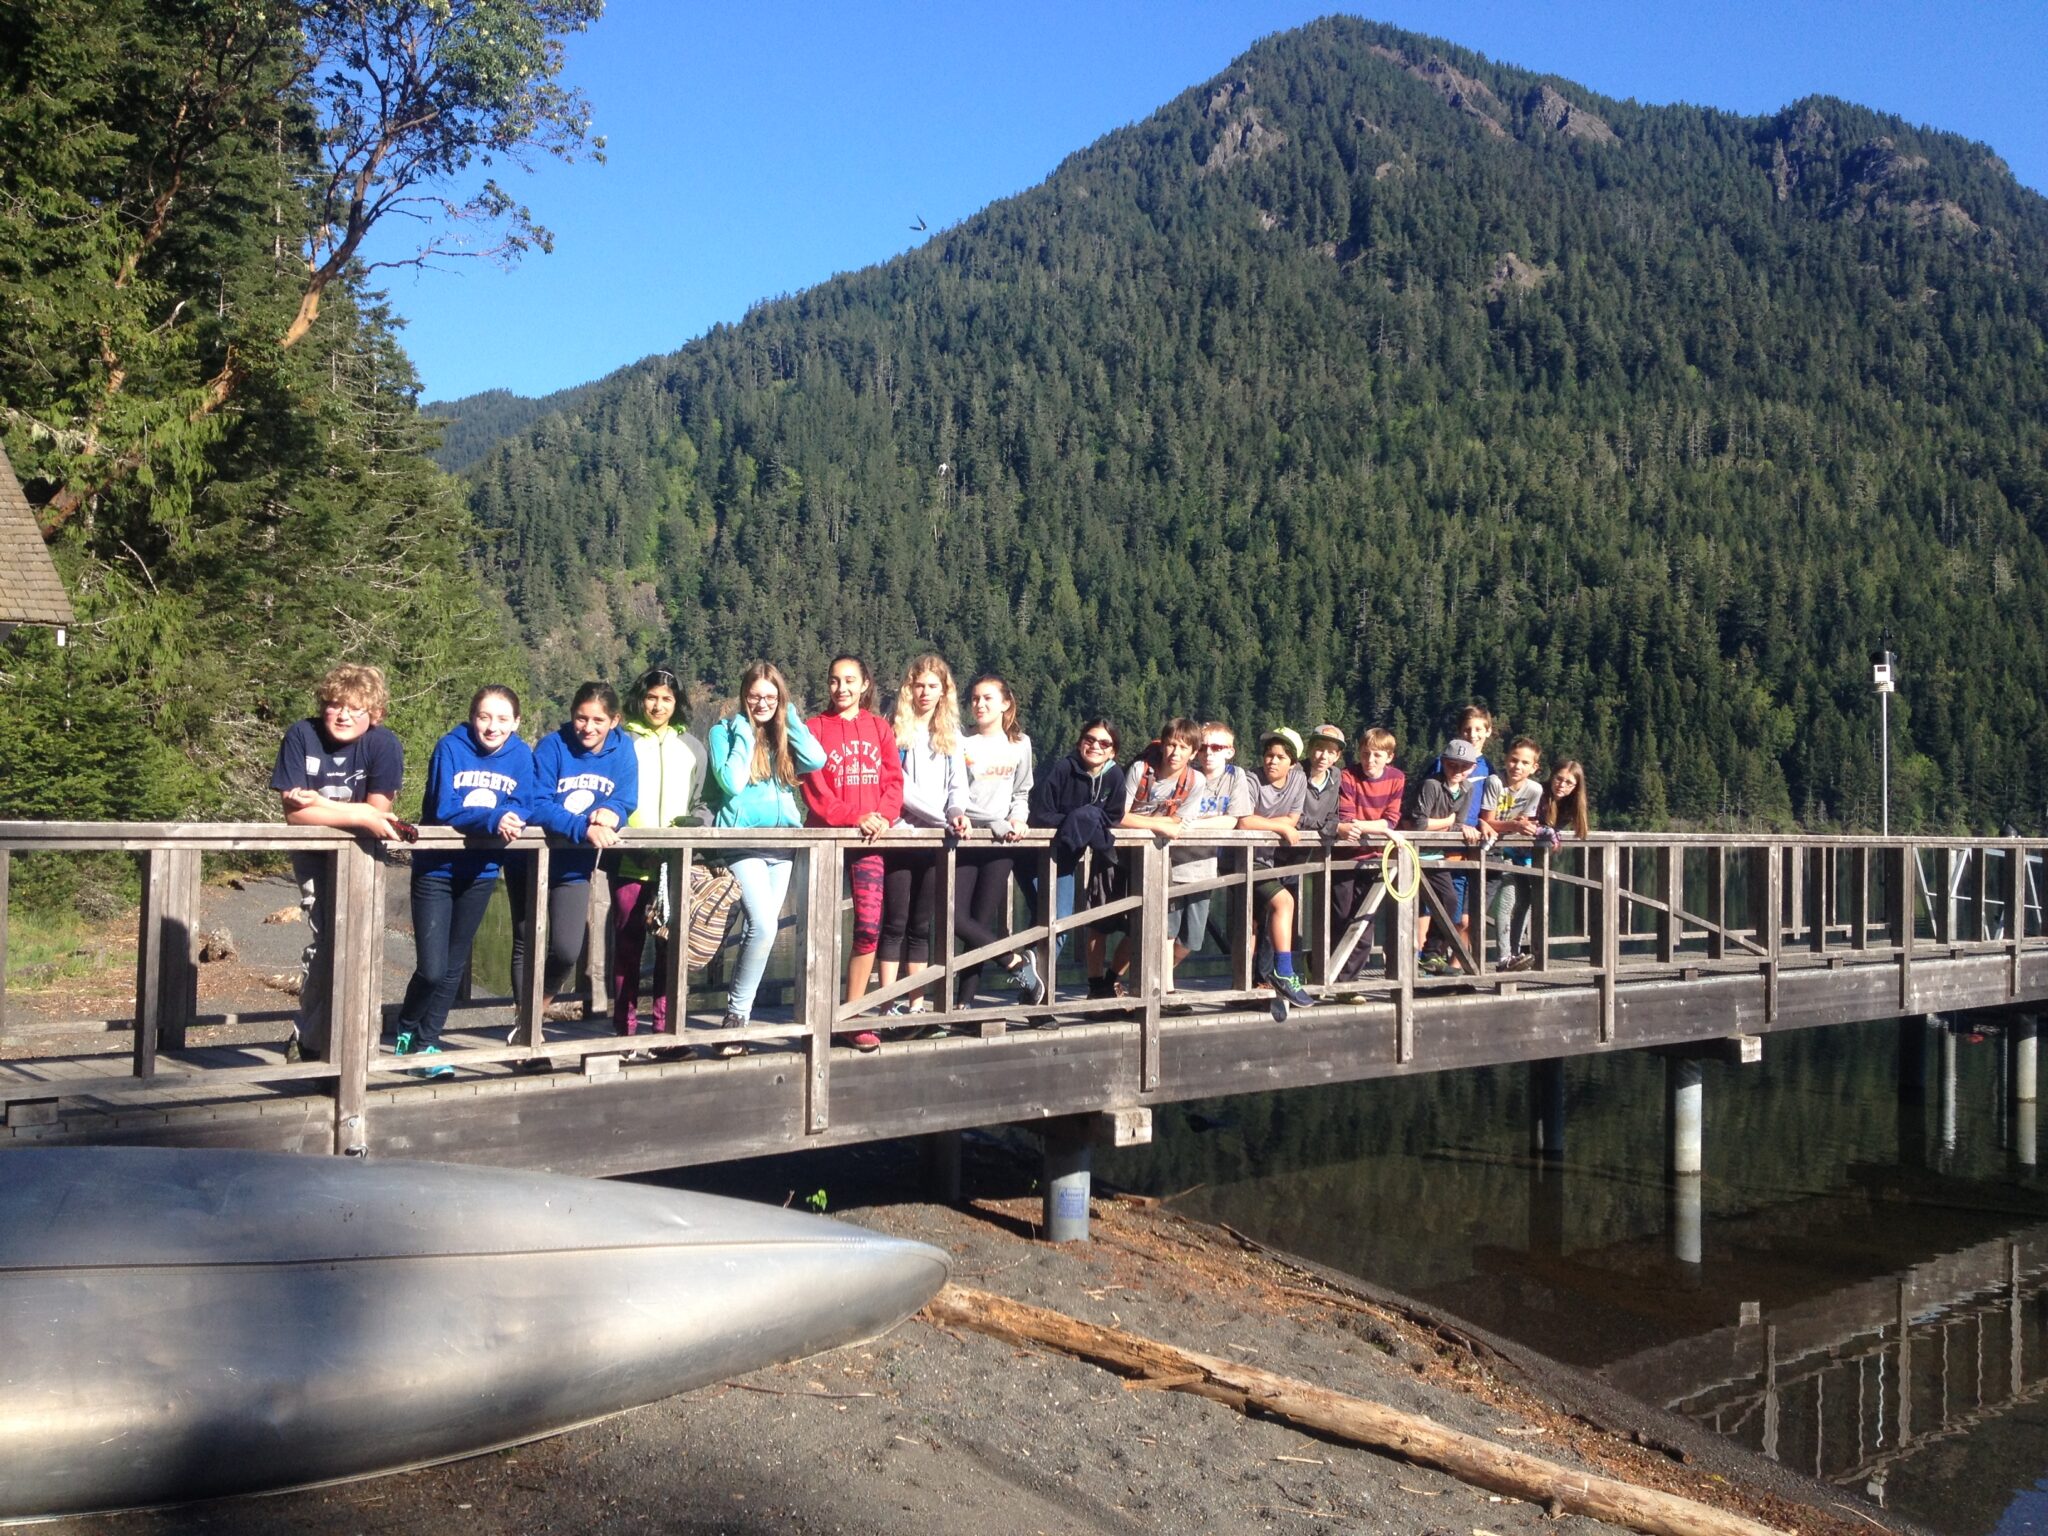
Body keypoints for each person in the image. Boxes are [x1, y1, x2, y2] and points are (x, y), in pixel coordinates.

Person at [393, 686, 533, 1076]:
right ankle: (406, 1024)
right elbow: (444, 807)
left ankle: (427, 1043)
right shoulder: (450, 748)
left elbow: (527, 802)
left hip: (483, 870)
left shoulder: (521, 755)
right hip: (436, 869)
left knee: (455, 965)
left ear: (516, 723)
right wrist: (494, 819)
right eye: (484, 717)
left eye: (503, 719)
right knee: (432, 967)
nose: (492, 727)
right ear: (472, 717)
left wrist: (510, 816)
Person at [271, 662, 406, 1063]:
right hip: (314, 855)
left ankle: (342, 1039)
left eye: (355, 708)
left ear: (374, 715)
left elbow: (380, 815)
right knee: (329, 942)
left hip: (364, 859)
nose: (343, 715)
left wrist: (324, 804)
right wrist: (359, 814)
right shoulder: (301, 735)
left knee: (359, 943)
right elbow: (295, 815)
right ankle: (313, 1040)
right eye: (334, 705)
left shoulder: (384, 745)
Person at [706, 663, 827, 1048]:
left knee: (762, 930)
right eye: (756, 696)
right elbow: (732, 781)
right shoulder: (723, 732)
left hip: (782, 845)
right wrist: (744, 732)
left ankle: (739, 1014)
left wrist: (788, 716)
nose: (763, 703)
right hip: (742, 843)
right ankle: (737, 1016)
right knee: (764, 925)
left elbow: (817, 758)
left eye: (771, 697)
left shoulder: (783, 736)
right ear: (744, 695)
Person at [508, 682, 638, 1025]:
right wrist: (584, 829)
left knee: (567, 949)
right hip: (531, 859)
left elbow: (626, 798)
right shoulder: (553, 746)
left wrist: (614, 812)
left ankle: (533, 1013)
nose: (588, 727)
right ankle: (527, 1032)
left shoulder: (623, 750)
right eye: (581, 718)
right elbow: (536, 805)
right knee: (527, 942)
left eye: (598, 720)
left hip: (573, 866)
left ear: (614, 720)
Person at [802, 654, 904, 1015]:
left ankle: (852, 1011)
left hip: (868, 842)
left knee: (868, 926)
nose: (841, 688)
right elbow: (815, 793)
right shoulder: (813, 728)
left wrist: (883, 817)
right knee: (817, 928)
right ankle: (815, 1010)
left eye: (849, 680)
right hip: (825, 842)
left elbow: (894, 781)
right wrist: (857, 815)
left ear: (864, 684)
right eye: (834, 680)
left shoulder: (879, 728)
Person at [611, 667, 706, 1049]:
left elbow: (704, 802)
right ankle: (624, 1031)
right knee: (627, 946)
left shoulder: (693, 748)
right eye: (652, 696)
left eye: (667, 698)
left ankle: (666, 1030)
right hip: (631, 860)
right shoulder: (622, 742)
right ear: (641, 697)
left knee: (671, 947)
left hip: (675, 863)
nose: (659, 704)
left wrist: (696, 823)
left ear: (678, 703)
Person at [877, 655, 969, 1021]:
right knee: (895, 921)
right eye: (919, 686)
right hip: (903, 837)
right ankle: (886, 1002)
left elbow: (958, 785)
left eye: (934, 686)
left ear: (945, 691)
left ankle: (915, 1002)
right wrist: (944, 818)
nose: (926, 693)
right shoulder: (896, 730)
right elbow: (899, 788)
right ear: (908, 688)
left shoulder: (952, 737)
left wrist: (958, 812)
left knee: (921, 925)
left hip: (936, 842)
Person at [1026, 717, 1127, 998]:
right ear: (1080, 741)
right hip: (1037, 856)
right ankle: (1033, 987)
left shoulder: (1115, 776)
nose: (1095, 746)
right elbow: (1040, 815)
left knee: (1059, 926)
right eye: (1089, 739)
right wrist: (1078, 819)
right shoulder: (1064, 768)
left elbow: (1113, 817)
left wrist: (1088, 820)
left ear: (1112, 751)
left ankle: (1031, 986)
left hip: (1067, 860)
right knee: (1049, 924)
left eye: (1104, 743)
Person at [957, 674, 1042, 1006]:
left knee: (978, 922)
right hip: (964, 837)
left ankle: (963, 1004)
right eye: (975, 698)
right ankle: (1015, 962)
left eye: (988, 698)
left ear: (1006, 703)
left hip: (1001, 843)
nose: (980, 704)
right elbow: (955, 794)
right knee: (954, 918)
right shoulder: (962, 740)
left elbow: (1022, 791)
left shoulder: (1020, 744)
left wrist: (1019, 818)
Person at [1104, 718, 1206, 995]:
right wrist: (1157, 825)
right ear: (1162, 745)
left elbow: (1180, 823)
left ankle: (1138, 981)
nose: (1175, 753)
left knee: (1156, 922)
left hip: (1157, 858)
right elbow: (1116, 816)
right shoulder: (1140, 770)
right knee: (1120, 921)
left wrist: (1162, 826)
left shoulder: (1196, 781)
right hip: (1120, 853)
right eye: (1171, 745)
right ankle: (1109, 980)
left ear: (1194, 753)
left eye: (1183, 747)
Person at [1171, 722, 1255, 985]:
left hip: (1205, 867)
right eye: (1204, 747)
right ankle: (1162, 986)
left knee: (1192, 940)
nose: (1209, 753)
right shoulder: (1184, 774)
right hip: (1170, 864)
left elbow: (1232, 820)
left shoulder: (1235, 777)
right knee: (1166, 932)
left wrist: (1194, 825)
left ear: (1230, 751)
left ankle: (1159, 976)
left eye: (1217, 747)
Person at [1242, 727, 1314, 1012]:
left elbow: (1295, 817)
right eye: (1268, 755)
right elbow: (1245, 821)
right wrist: (1280, 825)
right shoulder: (1250, 779)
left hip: (1272, 861)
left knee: (1265, 918)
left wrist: (1276, 821)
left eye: (1280, 756)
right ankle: (1280, 973)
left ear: (1292, 762)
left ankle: (1266, 978)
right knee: (1280, 904)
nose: (1271, 761)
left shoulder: (1298, 779)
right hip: (1245, 861)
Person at [1331, 726, 1405, 989]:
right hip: (1343, 857)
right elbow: (1348, 821)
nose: (1370, 760)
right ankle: (1327, 970)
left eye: (1377, 755)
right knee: (1340, 917)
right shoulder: (1347, 775)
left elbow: (1392, 819)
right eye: (1365, 754)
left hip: (1373, 858)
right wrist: (1382, 828)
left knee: (1364, 921)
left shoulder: (1396, 778)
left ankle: (1347, 982)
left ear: (1389, 757)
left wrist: (1382, 827)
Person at [1407, 736, 1485, 973]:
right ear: (1443, 762)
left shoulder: (1467, 788)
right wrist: (1449, 821)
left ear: (1472, 768)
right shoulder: (1431, 785)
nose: (1457, 770)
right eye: (1452, 764)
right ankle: (1408, 960)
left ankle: (1432, 953)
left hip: (1436, 855)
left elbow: (1458, 823)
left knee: (1450, 900)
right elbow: (1419, 824)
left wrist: (1461, 826)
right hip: (1413, 853)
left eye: (1463, 766)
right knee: (1413, 906)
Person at [1481, 736, 1546, 971]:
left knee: (1527, 900)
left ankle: (1516, 952)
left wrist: (1526, 827)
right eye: (1513, 760)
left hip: (1518, 851)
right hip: (1494, 850)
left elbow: (1525, 821)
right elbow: (1487, 820)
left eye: (1524, 763)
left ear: (1534, 767)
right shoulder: (1495, 782)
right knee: (1507, 899)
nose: (1517, 766)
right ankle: (1503, 958)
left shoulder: (1534, 789)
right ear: (1506, 759)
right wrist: (1516, 826)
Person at [1542, 759, 1592, 840]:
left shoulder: (1572, 804)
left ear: (1576, 787)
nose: (1562, 785)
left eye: (1568, 782)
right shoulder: (1538, 793)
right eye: (1559, 779)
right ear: (1552, 777)